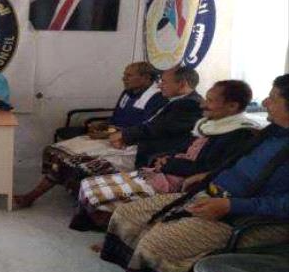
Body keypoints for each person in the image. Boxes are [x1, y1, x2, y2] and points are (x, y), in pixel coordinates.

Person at [100, 74, 289, 272]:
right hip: (214, 194)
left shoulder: (251, 132)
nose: (265, 102)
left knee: (156, 243)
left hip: (250, 218)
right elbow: (233, 164)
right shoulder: (272, 133)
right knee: (127, 213)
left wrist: (230, 205)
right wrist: (207, 176)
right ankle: (138, 266)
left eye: (272, 98)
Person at [74, 80, 259, 230]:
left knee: (99, 194)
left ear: (232, 106)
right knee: (88, 184)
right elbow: (184, 146)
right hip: (168, 169)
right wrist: (165, 157)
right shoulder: (209, 124)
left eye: (210, 101)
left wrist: (169, 163)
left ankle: (115, 230)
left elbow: (210, 169)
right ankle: (111, 228)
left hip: (182, 181)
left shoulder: (239, 134)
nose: (203, 104)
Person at [14, 62, 167, 209]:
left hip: (129, 144)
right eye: (124, 75)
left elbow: (144, 129)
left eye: (129, 75)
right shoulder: (128, 93)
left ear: (146, 78)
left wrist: (112, 132)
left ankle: (33, 196)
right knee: (55, 151)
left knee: (72, 161)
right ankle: (71, 189)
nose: (124, 78)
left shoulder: (157, 99)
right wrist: (102, 125)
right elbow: (117, 118)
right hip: (111, 136)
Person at [111, 66, 204, 168]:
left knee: (106, 161)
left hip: (158, 160)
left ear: (182, 84)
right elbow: (152, 124)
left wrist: (124, 135)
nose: (159, 86)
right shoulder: (175, 100)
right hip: (143, 150)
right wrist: (125, 137)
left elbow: (157, 128)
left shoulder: (190, 105)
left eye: (164, 82)